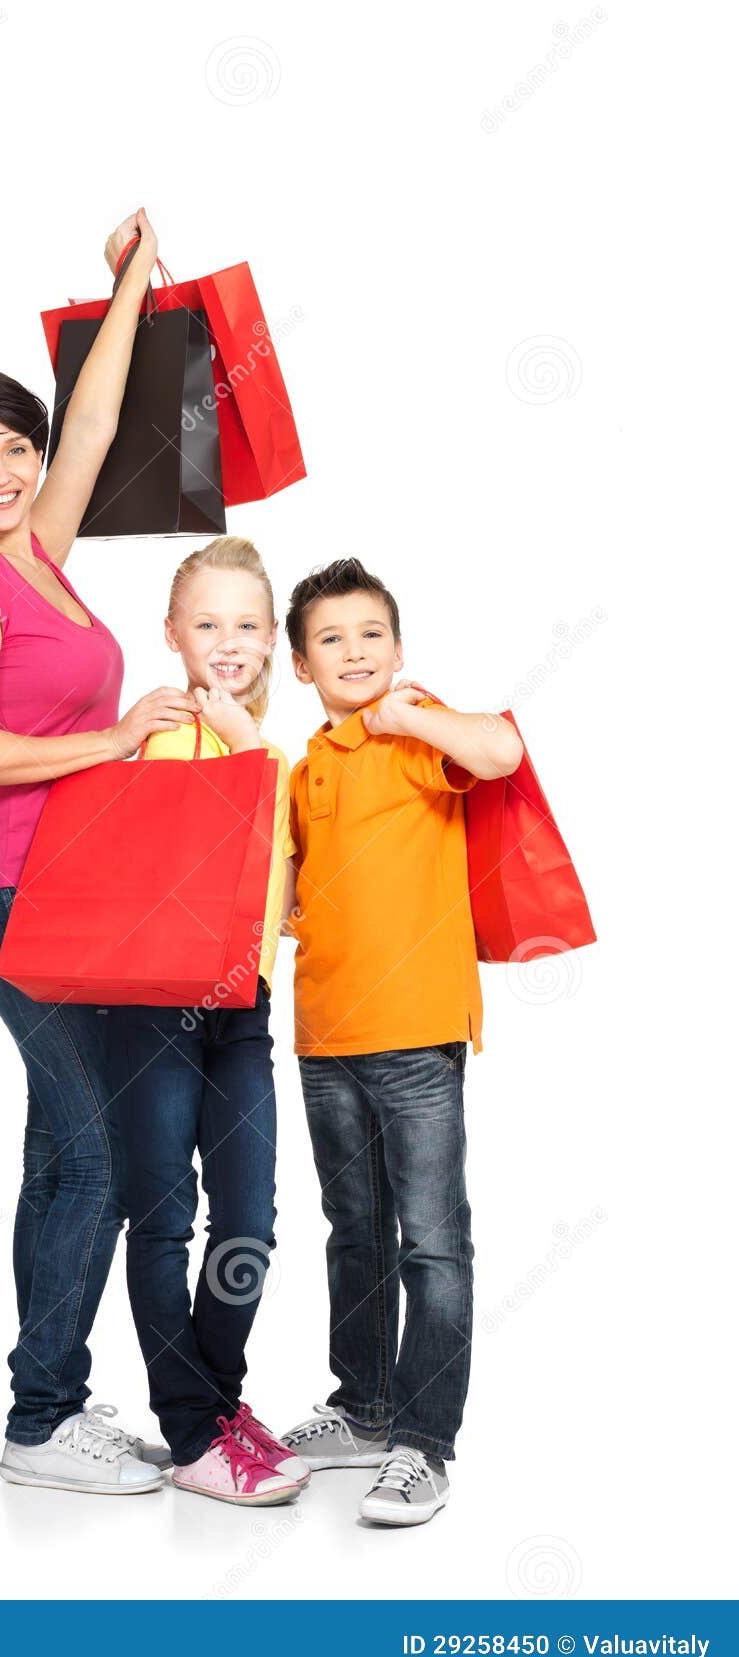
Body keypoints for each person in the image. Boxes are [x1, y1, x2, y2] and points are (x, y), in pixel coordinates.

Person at [0, 208, 196, 1495]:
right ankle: (43, 1421)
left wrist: (129, 279)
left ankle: (44, 1406)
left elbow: (91, 422)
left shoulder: (41, 553)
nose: (3, 471)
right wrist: (115, 739)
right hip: (10, 890)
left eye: (11, 449)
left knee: (60, 1150)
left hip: (83, 891)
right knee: (91, 1147)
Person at [276, 557, 522, 1525]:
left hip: (416, 1032)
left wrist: (408, 715)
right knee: (354, 1234)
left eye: (370, 634)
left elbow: (498, 752)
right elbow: (289, 887)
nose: (353, 651)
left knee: (433, 1242)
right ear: (301, 665)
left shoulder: (418, 737)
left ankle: (424, 1443)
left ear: (398, 650)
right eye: (330, 639)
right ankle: (364, 1406)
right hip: (323, 1034)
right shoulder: (305, 768)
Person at [110, 537, 307, 1506]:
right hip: (152, 1002)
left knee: (250, 1220)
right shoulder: (161, 731)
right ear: (172, 635)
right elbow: (155, 858)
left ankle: (217, 1405)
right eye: (206, 624)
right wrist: (237, 742)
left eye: (243, 625)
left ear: (270, 638)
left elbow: (289, 871)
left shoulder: (269, 745)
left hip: (243, 1002)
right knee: (163, 1218)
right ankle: (193, 1432)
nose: (225, 642)